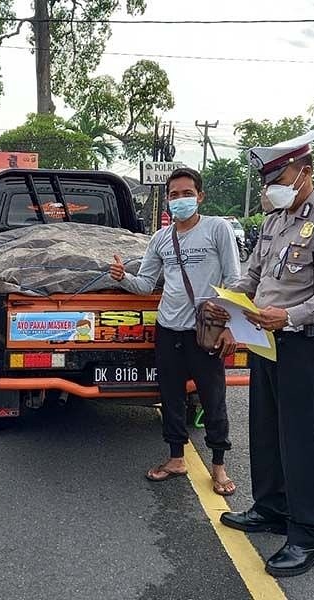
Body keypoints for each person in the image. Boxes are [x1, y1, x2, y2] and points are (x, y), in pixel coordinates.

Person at [215, 131, 314, 577]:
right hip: (266, 340)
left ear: (305, 172)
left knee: (300, 442)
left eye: (277, 176)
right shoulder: (276, 220)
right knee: (265, 431)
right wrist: (223, 298)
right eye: (267, 179)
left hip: (305, 345)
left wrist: (294, 315)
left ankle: (308, 535)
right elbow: (256, 276)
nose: (270, 187)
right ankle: (271, 508)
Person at [109, 167, 241, 495]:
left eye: (186, 193)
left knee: (213, 399)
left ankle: (219, 467)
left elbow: (235, 281)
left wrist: (232, 327)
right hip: (168, 329)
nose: (180, 200)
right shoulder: (161, 239)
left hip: (205, 331)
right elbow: (145, 284)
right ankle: (176, 458)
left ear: (200, 196)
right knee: (171, 397)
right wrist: (122, 277)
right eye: (174, 195)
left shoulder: (217, 229)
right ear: (167, 199)